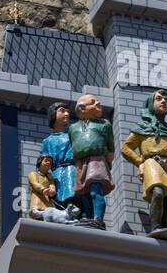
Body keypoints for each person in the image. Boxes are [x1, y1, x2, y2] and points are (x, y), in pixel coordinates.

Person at [120, 90, 167, 232]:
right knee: (158, 192)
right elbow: (125, 148)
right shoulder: (142, 128)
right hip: (152, 162)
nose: (163, 102)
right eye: (159, 99)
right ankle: (156, 226)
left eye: (166, 100)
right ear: (150, 103)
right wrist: (140, 162)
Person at [69, 93, 115, 226]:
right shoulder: (73, 128)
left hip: (97, 160)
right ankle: (89, 217)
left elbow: (110, 145)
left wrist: (108, 160)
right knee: (84, 193)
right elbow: (73, 143)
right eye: (93, 102)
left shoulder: (104, 125)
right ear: (82, 109)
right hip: (80, 163)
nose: (98, 103)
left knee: (96, 189)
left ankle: (98, 218)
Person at [39, 102, 76, 210]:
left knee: (71, 193)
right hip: (55, 173)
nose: (67, 114)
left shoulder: (72, 135)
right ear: (53, 114)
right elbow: (43, 161)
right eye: (62, 111)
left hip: (71, 169)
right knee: (56, 198)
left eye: (68, 112)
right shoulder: (47, 141)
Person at [27, 153, 76, 225]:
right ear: (40, 162)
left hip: (48, 201)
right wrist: (43, 189)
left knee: (50, 215)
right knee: (38, 213)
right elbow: (35, 184)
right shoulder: (33, 174)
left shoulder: (49, 176)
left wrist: (52, 191)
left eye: (50, 162)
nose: (48, 163)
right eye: (46, 161)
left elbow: (52, 185)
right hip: (38, 198)